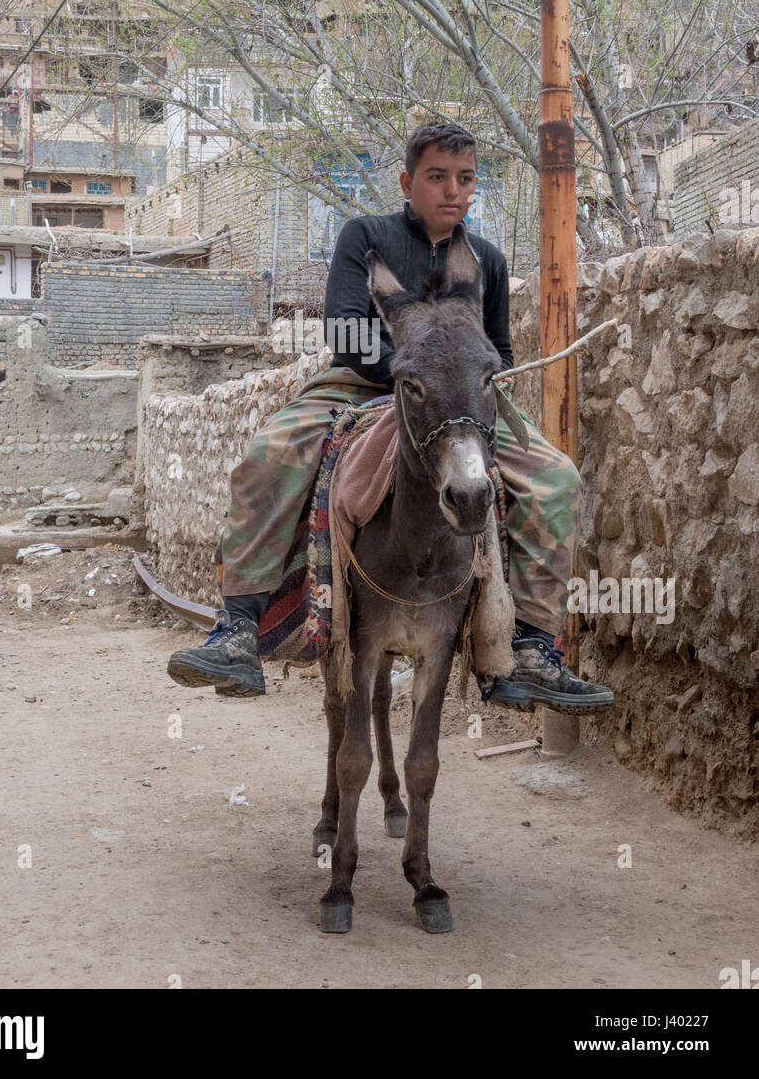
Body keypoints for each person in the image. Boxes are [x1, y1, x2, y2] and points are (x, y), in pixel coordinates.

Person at [167, 120, 614, 713]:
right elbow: (347, 330)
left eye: (465, 179)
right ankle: (238, 629)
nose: (452, 191)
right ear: (408, 181)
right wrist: (409, 378)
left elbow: (501, 352)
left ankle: (530, 647)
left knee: (556, 479)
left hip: (462, 403)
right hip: (357, 385)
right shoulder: (365, 237)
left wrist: (457, 386)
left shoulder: (489, 261)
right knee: (268, 455)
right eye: (437, 177)